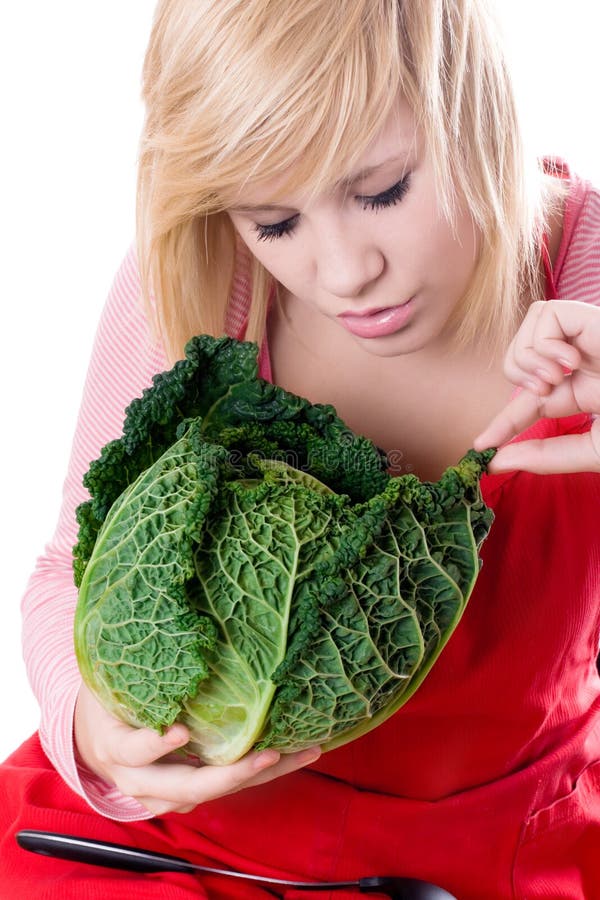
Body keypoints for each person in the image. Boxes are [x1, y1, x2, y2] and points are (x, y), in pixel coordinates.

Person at [1, 0, 599, 897]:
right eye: (274, 222)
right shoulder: (204, 280)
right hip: (160, 847)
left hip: (486, 856)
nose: (345, 271)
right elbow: (65, 570)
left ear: (476, 108)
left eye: (383, 190)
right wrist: (95, 734)